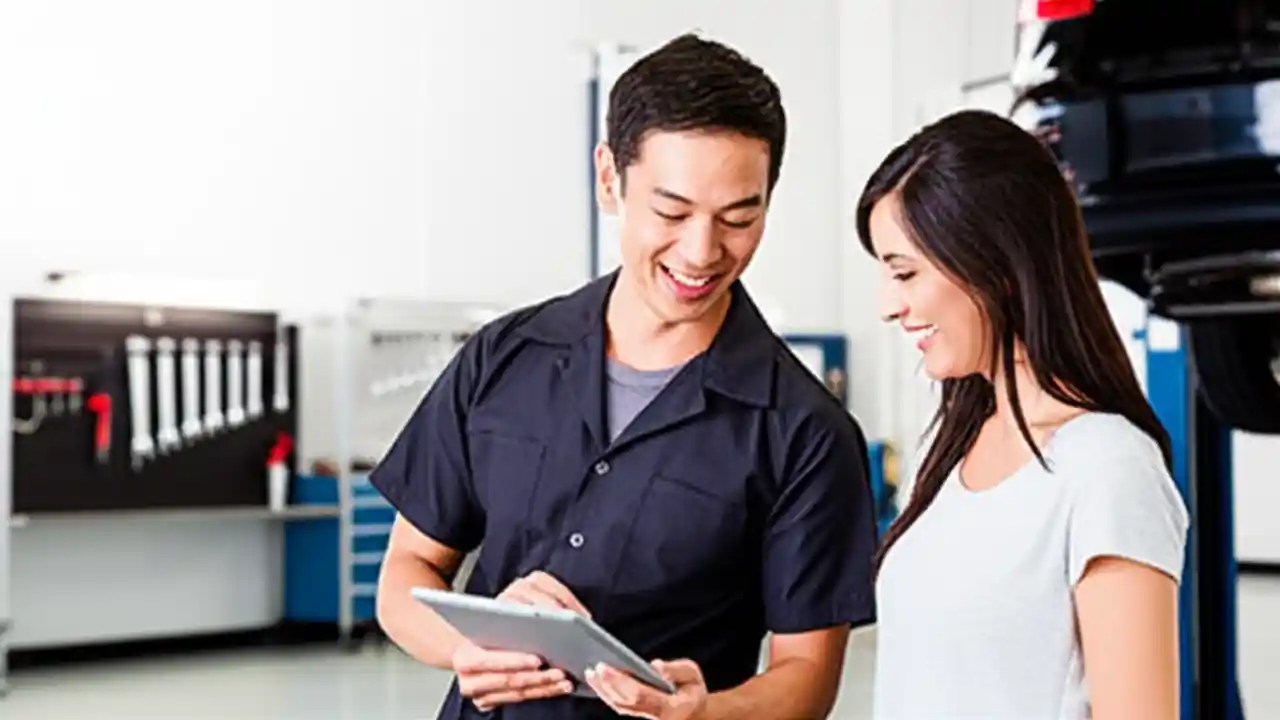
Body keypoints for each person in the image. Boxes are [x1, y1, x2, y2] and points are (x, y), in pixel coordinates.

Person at [370, 33, 878, 720]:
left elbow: (807, 678)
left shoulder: (805, 432)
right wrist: (464, 649)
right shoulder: (502, 359)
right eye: (671, 211)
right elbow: (405, 575)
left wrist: (704, 712)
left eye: (739, 217)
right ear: (610, 178)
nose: (702, 252)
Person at [857, 109, 1190, 719]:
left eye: (904, 273)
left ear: (1001, 266)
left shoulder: (1108, 468)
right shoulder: (957, 449)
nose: (889, 305)